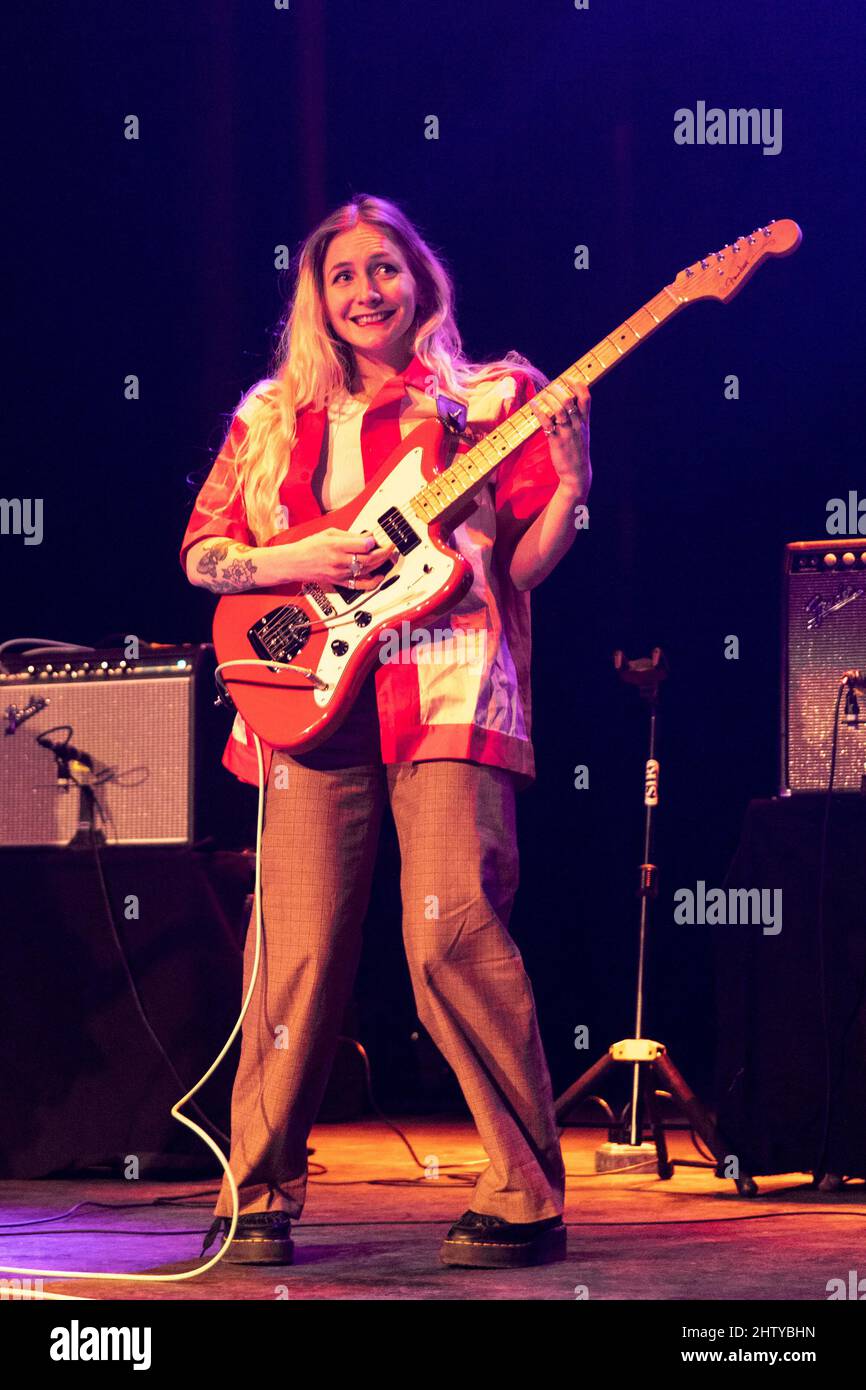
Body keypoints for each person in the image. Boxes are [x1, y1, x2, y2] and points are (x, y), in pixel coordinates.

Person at [180, 194, 591, 1270]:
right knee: (296, 953)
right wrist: (296, 561)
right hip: (303, 698)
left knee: (449, 932)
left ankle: (522, 1191)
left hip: (447, 686)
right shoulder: (270, 415)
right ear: (316, 297)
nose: (365, 292)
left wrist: (574, 487)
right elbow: (206, 554)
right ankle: (257, 1186)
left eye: (384, 270)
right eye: (342, 275)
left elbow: (521, 562)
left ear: (421, 280)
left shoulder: (491, 396)